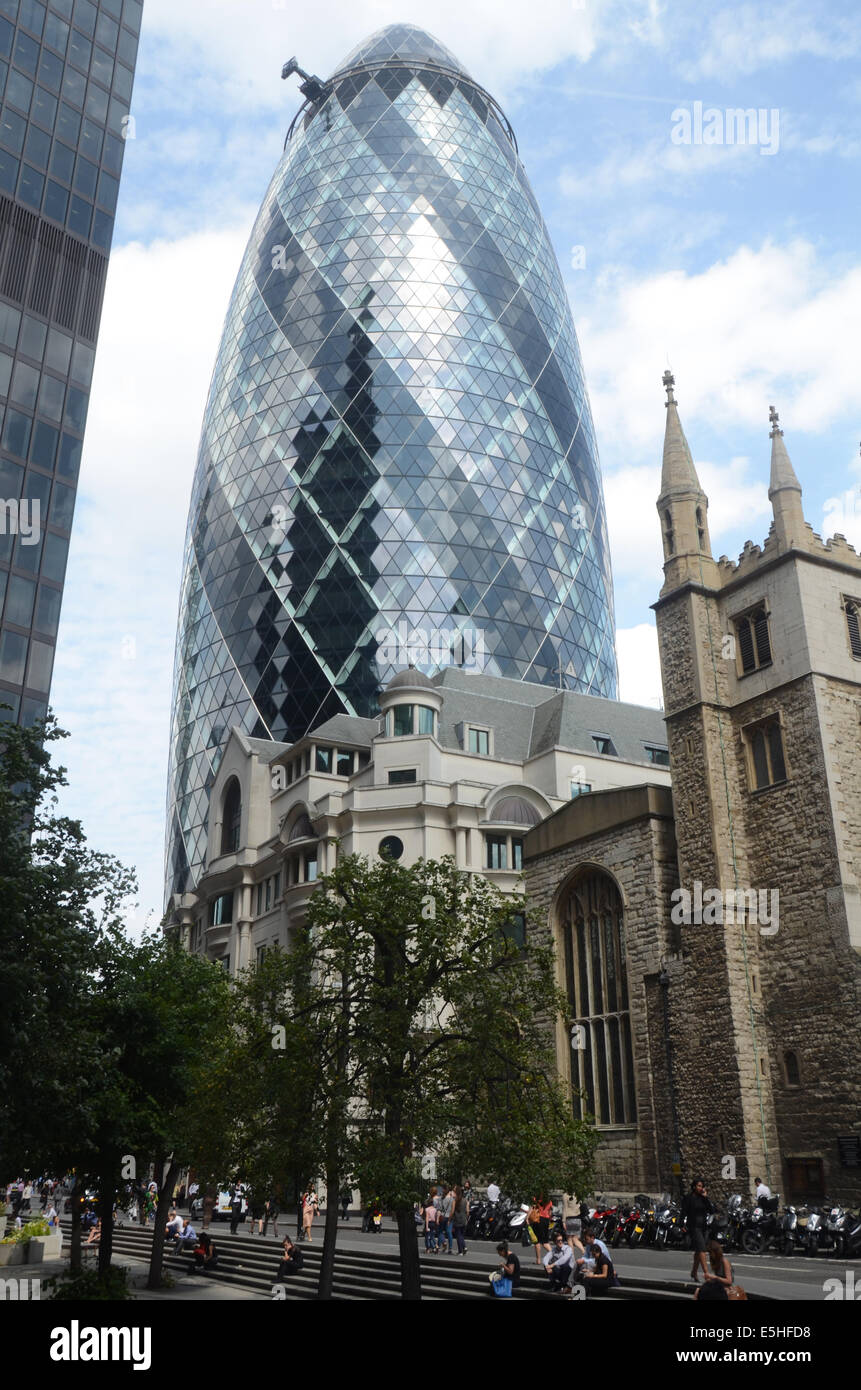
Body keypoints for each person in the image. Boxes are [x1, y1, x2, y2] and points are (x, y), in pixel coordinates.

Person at [682, 1178, 715, 1284]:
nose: (700, 1188)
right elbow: (684, 1211)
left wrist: (706, 1198)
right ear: (694, 1187)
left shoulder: (703, 1198)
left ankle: (694, 1272)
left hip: (703, 1227)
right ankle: (706, 1274)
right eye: (698, 1186)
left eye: (702, 1186)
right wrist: (681, 1224)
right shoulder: (689, 1198)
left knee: (698, 1251)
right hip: (694, 1226)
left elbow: (711, 1210)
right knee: (702, 1249)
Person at [532, 1193, 553, 1266]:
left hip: (538, 1219)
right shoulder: (549, 1201)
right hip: (546, 1220)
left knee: (537, 1241)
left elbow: (532, 1208)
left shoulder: (536, 1200)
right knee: (545, 1241)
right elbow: (550, 1212)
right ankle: (553, 1255)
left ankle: (538, 1260)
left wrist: (527, 1219)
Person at [452, 1185, 469, 1255]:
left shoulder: (455, 1201)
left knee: (458, 1235)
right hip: (464, 1219)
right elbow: (468, 1211)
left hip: (457, 1220)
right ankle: (464, 1247)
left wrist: (450, 1219)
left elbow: (452, 1211)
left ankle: (461, 1250)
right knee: (461, 1235)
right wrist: (466, 1217)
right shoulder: (465, 1200)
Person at [439, 1185, 455, 1254]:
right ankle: (450, 1248)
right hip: (449, 1217)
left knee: (440, 1231)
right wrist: (450, 1219)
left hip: (443, 1216)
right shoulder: (452, 1199)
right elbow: (452, 1210)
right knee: (449, 1232)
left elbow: (439, 1209)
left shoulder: (442, 1198)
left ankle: (444, 1242)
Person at [423, 1188, 439, 1253]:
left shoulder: (427, 1209)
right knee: (432, 1236)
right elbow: (436, 1216)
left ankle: (428, 1248)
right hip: (433, 1223)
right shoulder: (435, 1209)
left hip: (429, 1223)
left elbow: (427, 1218)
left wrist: (426, 1227)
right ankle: (436, 1245)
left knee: (427, 1236)